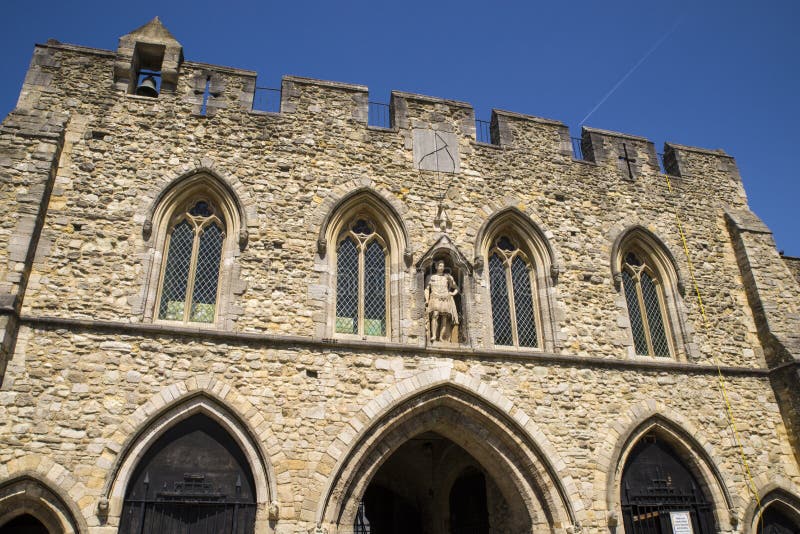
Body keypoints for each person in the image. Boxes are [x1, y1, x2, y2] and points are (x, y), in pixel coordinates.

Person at [425, 260, 459, 342]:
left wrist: (452, 294)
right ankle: (433, 335)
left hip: (445, 298)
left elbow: (457, 288)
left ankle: (441, 337)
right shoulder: (430, 277)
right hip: (435, 297)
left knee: (444, 318)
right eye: (440, 265)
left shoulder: (447, 277)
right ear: (436, 267)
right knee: (435, 315)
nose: (442, 267)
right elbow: (426, 289)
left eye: (443, 266)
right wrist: (426, 299)